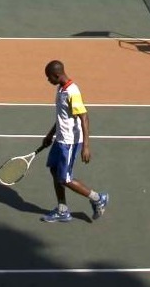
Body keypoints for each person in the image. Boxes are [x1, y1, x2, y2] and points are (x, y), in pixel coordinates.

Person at [38, 60, 109, 223]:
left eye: (49, 77)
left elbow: (84, 117)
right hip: (60, 139)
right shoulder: (60, 89)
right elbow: (62, 118)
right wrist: (50, 135)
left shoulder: (72, 92)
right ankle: (62, 210)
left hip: (69, 142)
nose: (48, 80)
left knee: (65, 178)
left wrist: (86, 146)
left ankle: (98, 198)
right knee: (54, 170)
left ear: (56, 75)